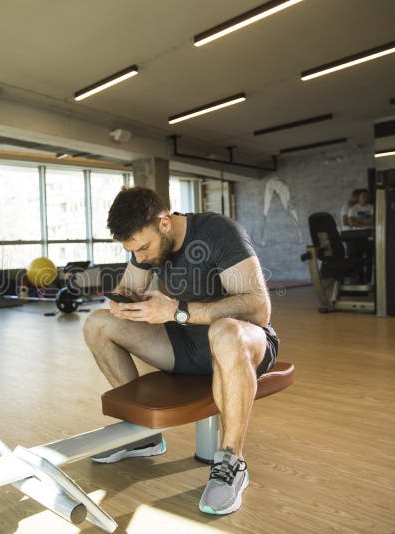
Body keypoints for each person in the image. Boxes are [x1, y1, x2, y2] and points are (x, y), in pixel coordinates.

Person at [82, 186, 279, 515]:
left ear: (164, 223)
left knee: (224, 331)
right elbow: (130, 287)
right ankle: (144, 436)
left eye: (143, 248)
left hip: (243, 341)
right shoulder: (146, 248)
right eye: (134, 251)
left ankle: (232, 462)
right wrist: (124, 303)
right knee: (97, 324)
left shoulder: (218, 232)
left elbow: (259, 308)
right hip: (187, 345)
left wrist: (178, 311)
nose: (141, 257)